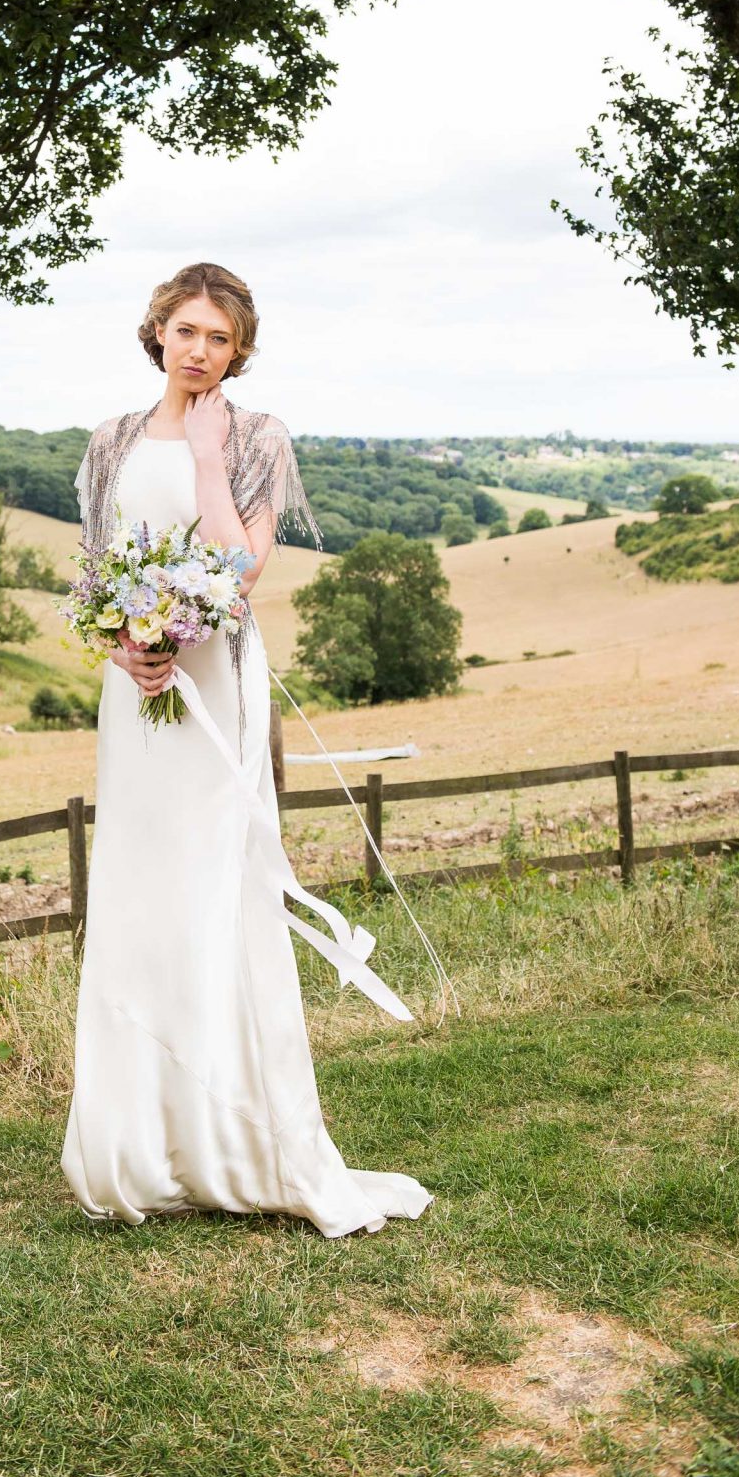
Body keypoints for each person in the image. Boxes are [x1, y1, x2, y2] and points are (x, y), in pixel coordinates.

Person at [60, 261, 435, 1237]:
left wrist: (206, 455)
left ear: (238, 349)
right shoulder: (107, 441)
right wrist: (124, 647)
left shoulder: (254, 436)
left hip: (217, 683)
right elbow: (93, 575)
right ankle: (135, 1152)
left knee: (216, 887)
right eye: (183, 331)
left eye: (217, 338)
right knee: (140, 891)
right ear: (156, 333)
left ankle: (240, 1138)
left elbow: (236, 566)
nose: (197, 350)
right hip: (133, 693)